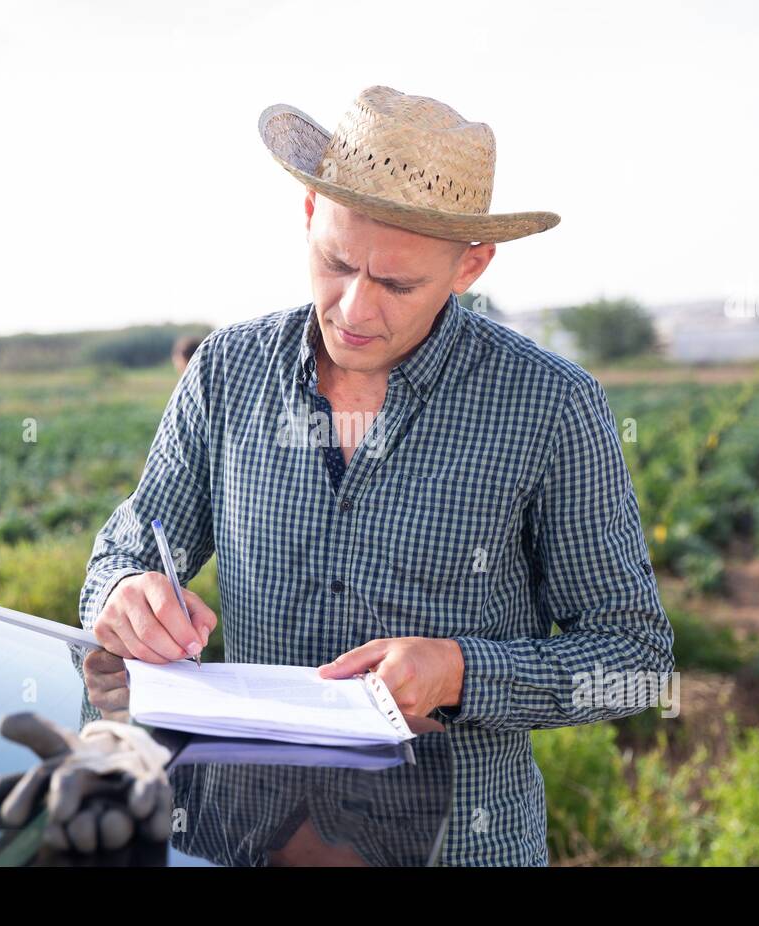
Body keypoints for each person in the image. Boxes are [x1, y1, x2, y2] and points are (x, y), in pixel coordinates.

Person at [72, 85, 675, 866]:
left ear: (471, 265)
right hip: (229, 840)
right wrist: (123, 594)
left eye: (396, 285)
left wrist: (461, 673)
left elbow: (635, 665)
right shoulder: (226, 370)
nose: (354, 308)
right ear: (308, 212)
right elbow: (123, 550)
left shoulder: (551, 406)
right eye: (336, 262)